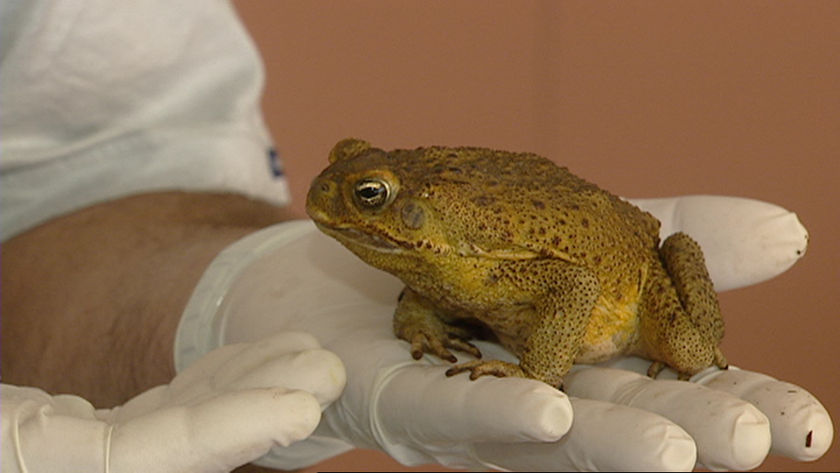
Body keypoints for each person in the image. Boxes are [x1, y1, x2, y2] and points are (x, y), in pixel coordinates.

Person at [1, 0, 832, 472]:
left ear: (411, 217)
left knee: (686, 347)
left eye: (365, 192)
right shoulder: (438, 257)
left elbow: (89, 159)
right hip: (509, 261)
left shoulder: (460, 251)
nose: (338, 199)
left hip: (612, 276)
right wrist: (423, 315)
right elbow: (438, 276)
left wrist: (223, 289)